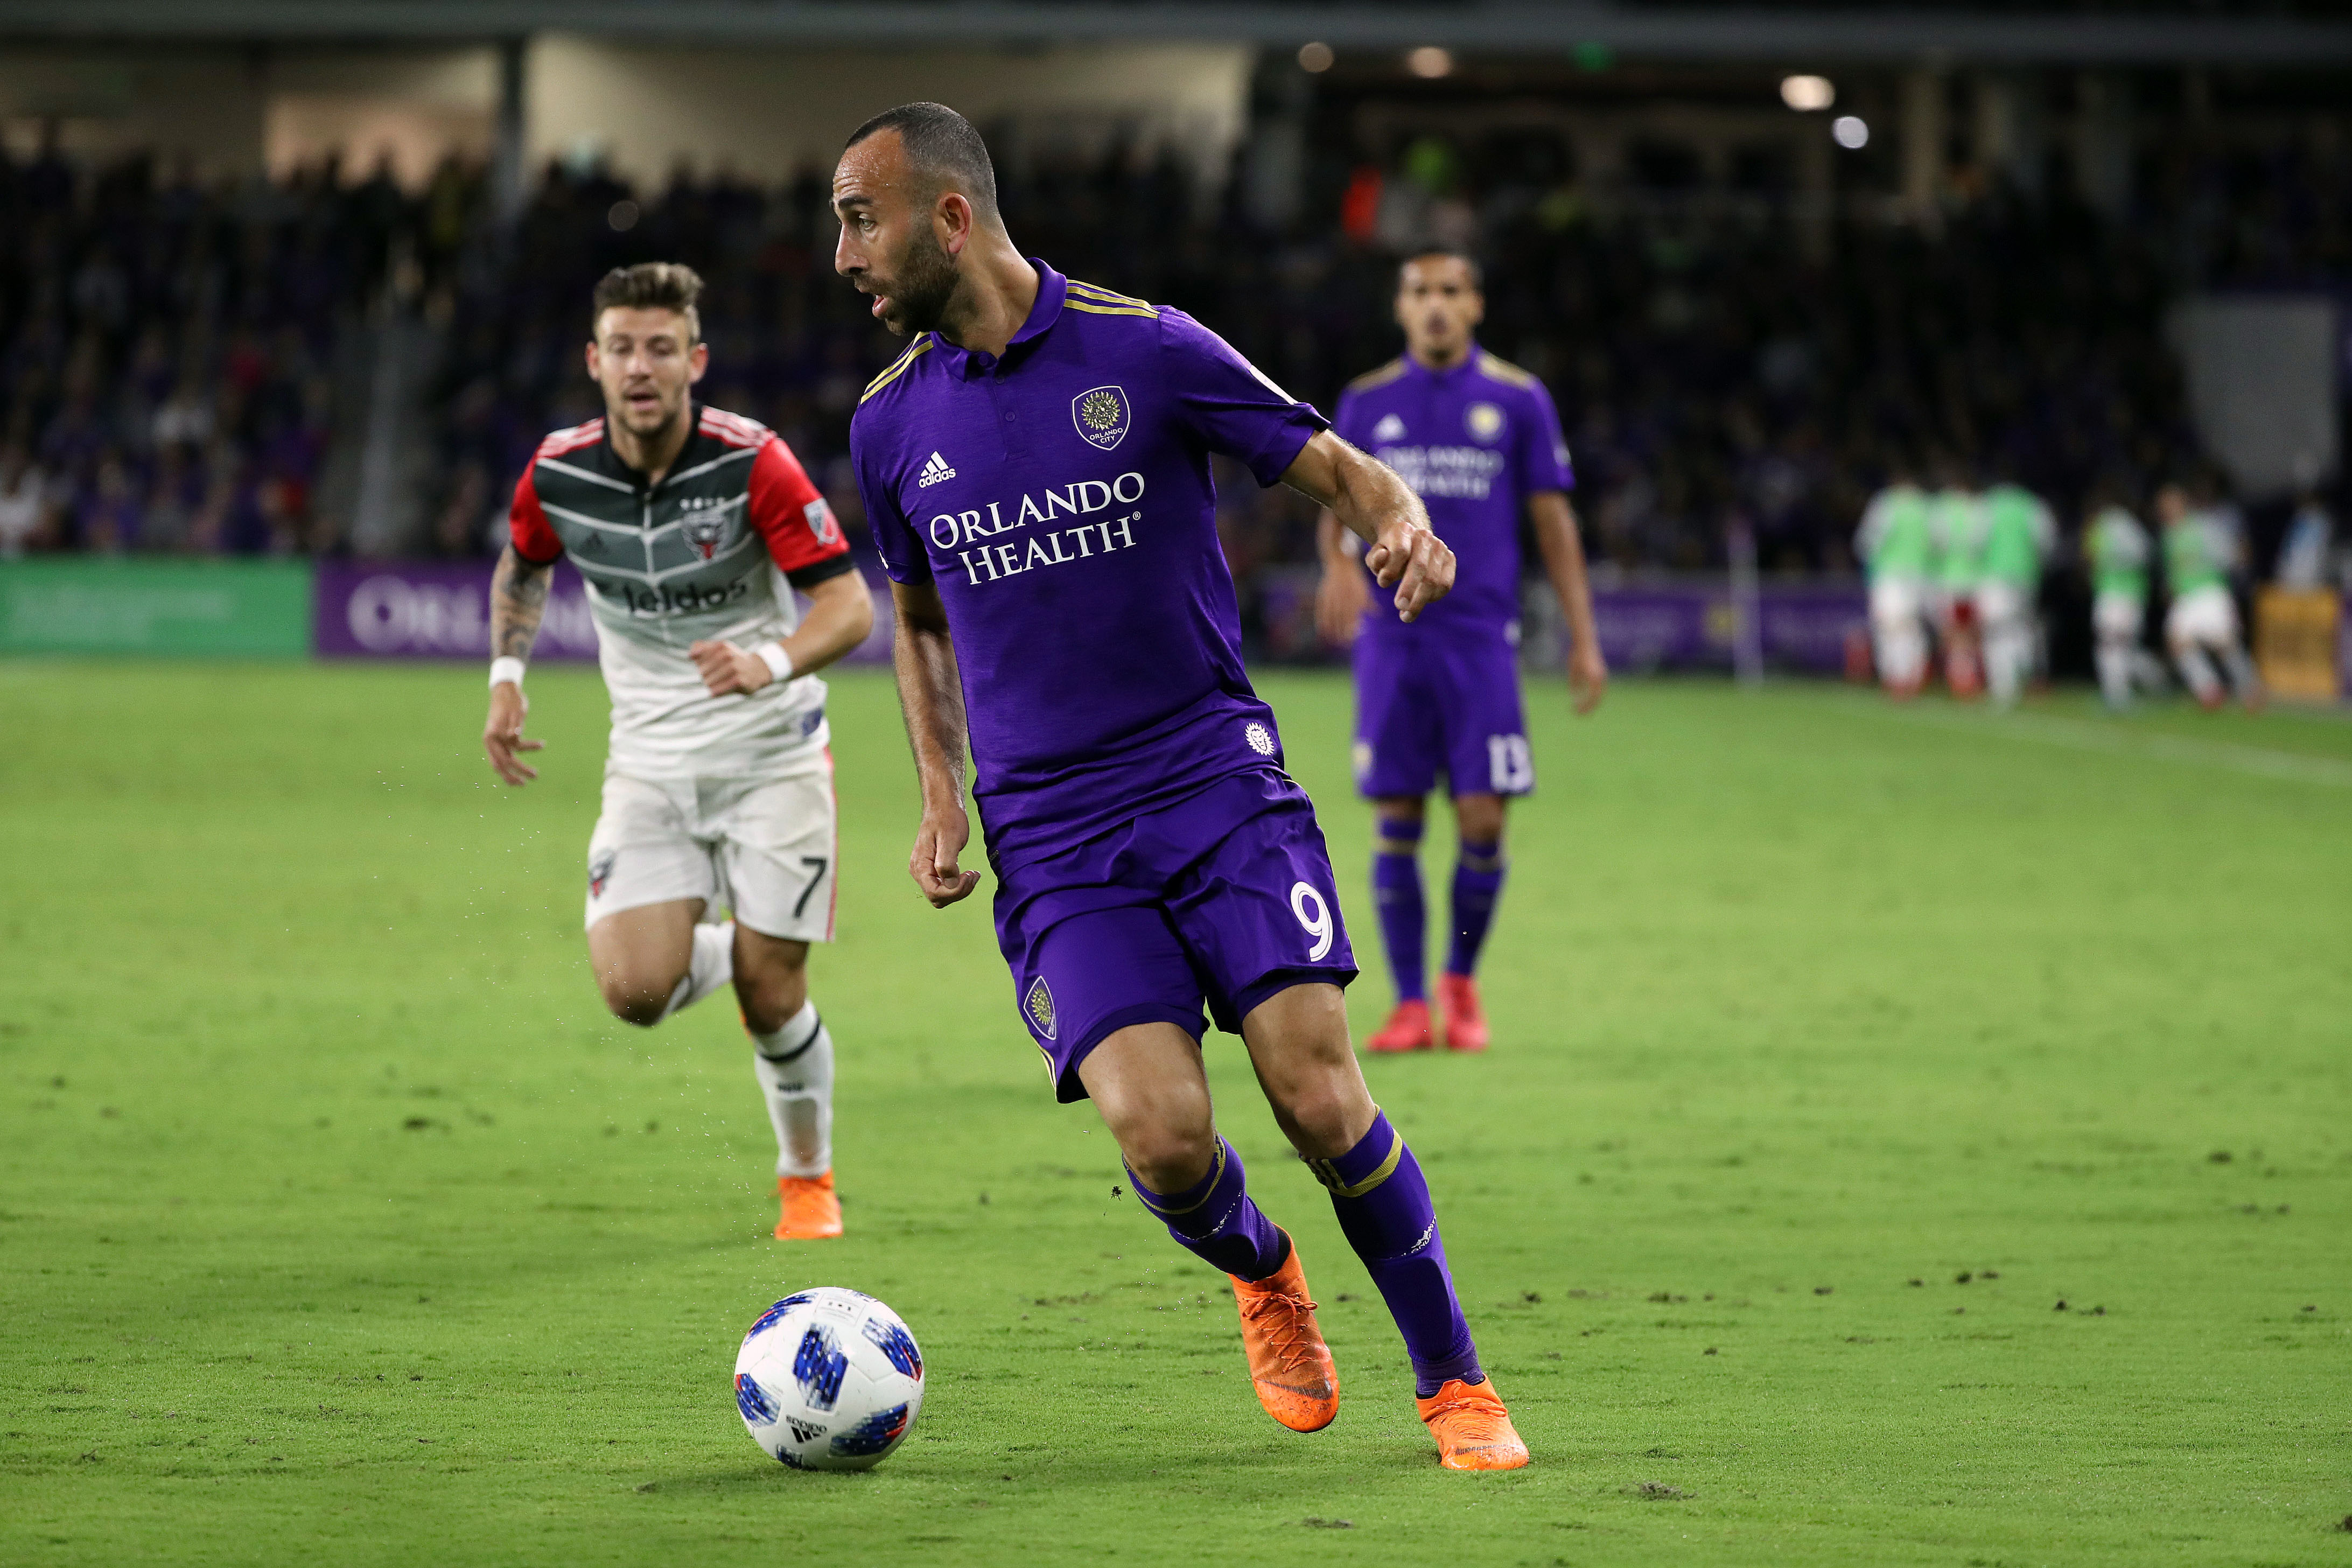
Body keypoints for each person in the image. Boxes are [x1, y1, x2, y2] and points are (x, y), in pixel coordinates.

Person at [837, 102, 1525, 1471]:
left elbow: (1335, 466)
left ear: (951, 217)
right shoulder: (887, 424)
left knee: (1320, 1096)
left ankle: (1455, 1383)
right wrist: (939, 790)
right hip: (1054, 830)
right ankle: (1265, 1271)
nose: (842, 251)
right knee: (1160, 1139)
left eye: (862, 216)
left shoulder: (1146, 347)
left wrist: (1402, 521)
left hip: (1214, 782)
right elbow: (913, 621)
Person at [479, 262, 876, 1240]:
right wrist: (506, 674)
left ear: (694, 361)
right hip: (648, 763)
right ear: (594, 361)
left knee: (775, 993)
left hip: (771, 757)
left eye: (661, 347)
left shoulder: (754, 464)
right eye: (622, 347)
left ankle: (806, 1178)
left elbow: (849, 605)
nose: (640, 366)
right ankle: (737, 953)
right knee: (633, 992)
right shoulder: (559, 473)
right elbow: (522, 566)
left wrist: (768, 660)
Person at [1313, 250, 1604, 1054]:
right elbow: (1336, 492)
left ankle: (1461, 985)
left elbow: (1553, 522)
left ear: (1475, 306)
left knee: (1482, 817)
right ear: (1400, 310)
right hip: (1393, 641)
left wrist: (1584, 637)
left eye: (1450, 292)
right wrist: (1336, 564)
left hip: (1481, 643)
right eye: (1419, 293)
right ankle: (1409, 1003)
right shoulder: (1368, 401)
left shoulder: (1517, 398)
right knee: (1397, 815)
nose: (1435, 306)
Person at [2155, 481, 2263, 711]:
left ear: (2181, 504)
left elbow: (2232, 555)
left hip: (2210, 592)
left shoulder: (2202, 527)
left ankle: (2250, 688)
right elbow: (2174, 569)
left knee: (2224, 644)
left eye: (2169, 505)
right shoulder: (2170, 535)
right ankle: (2209, 689)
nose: (2165, 510)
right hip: (2187, 597)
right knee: (2178, 644)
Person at [1975, 473, 2057, 708]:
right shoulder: (2032, 504)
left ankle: (2004, 686)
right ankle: (2026, 674)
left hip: (1995, 574)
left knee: (1997, 629)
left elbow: (1976, 540)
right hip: (2026, 575)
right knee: (2020, 627)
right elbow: (2046, 541)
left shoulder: (1988, 504)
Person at [1853, 458, 1933, 698]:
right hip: (1921, 574)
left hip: (1890, 574)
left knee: (1891, 627)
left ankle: (1896, 676)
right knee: (1913, 626)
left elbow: (1868, 541)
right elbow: (1939, 541)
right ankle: (1915, 673)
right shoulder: (1926, 506)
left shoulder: (1886, 504)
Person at [2083, 487, 2155, 712]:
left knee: (2111, 643)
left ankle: (2119, 693)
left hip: (2113, 592)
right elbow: (2147, 556)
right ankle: (2125, 691)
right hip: (2134, 591)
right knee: (2123, 645)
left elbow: (2091, 556)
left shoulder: (2102, 526)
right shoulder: (2133, 525)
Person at [1926, 458, 1985, 697]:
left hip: (1949, 579)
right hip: (1976, 580)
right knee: (1971, 631)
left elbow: (1934, 544)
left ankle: (1958, 678)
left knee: (1951, 631)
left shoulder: (1941, 509)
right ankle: (1971, 676)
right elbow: (1984, 544)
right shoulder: (1980, 508)